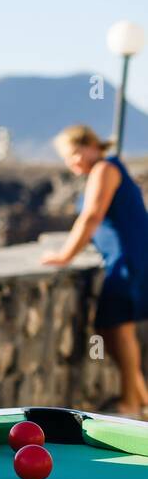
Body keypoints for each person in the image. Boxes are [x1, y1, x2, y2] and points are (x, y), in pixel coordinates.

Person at [42, 125, 148, 417]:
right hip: (123, 259)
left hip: (129, 260)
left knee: (120, 329)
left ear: (91, 145)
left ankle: (131, 405)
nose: (71, 162)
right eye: (66, 158)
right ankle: (141, 398)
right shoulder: (102, 170)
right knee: (107, 327)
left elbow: (91, 217)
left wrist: (64, 255)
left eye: (74, 153)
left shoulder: (105, 168)